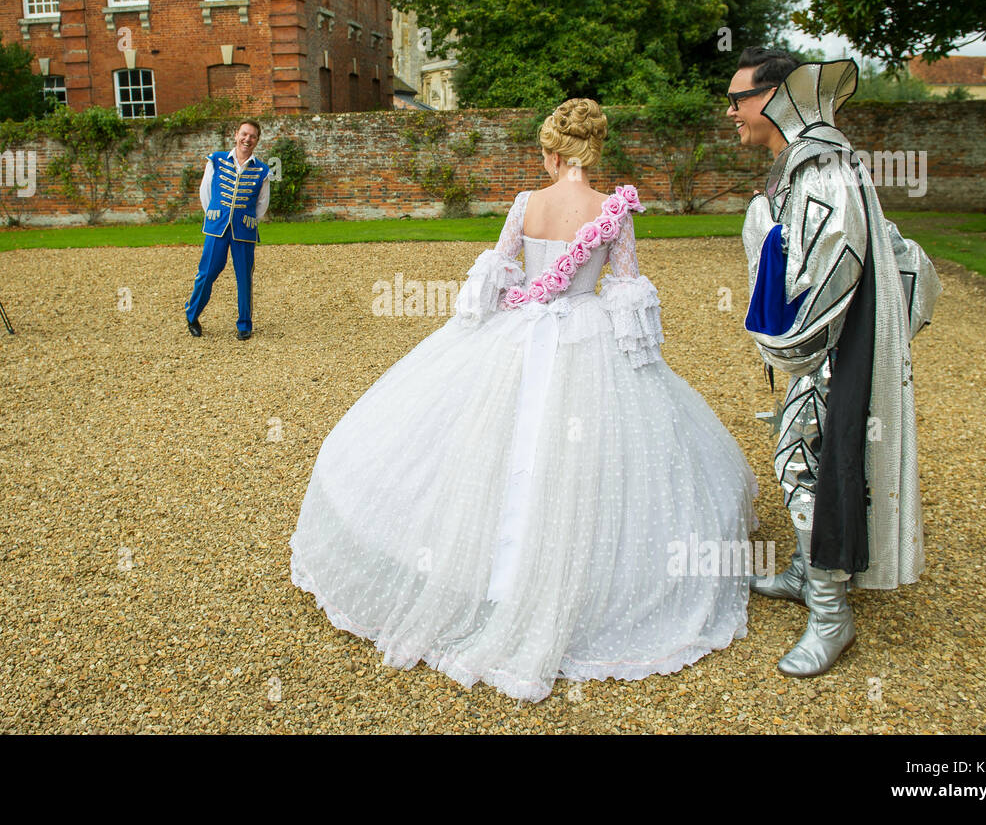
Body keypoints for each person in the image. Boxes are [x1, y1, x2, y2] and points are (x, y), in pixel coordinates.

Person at [289, 98, 760, 702]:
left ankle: (481, 581)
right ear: (593, 152)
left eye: (544, 152)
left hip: (521, 333)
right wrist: (638, 356)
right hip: (589, 337)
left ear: (555, 153)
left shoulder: (527, 203)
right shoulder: (611, 210)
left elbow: (493, 277)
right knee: (585, 464)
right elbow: (626, 287)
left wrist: (484, 321)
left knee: (494, 449)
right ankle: (575, 589)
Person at [729, 49, 940, 677]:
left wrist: (789, 348)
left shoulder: (820, 168)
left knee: (798, 457)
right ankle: (806, 572)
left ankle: (829, 613)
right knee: (808, 455)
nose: (731, 113)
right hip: (828, 353)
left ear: (770, 97)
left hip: (836, 352)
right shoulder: (804, 163)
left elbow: (831, 273)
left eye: (737, 99)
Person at [185, 120, 270, 341]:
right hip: (217, 228)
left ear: (257, 140)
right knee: (207, 273)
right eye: (244, 134)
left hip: (244, 230)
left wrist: (243, 219)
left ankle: (244, 324)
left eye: (252, 136)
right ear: (236, 135)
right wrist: (218, 214)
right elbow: (206, 193)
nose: (247, 139)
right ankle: (192, 315)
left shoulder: (262, 170)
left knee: (244, 278)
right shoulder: (216, 160)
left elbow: (262, 205)